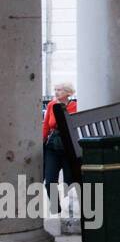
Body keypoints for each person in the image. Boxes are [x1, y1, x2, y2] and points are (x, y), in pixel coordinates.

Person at [41, 82, 77, 213]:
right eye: (55, 90)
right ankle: (56, 209)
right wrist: (42, 142)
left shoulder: (75, 106)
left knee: (69, 180)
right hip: (53, 147)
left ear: (68, 92)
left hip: (68, 147)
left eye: (60, 90)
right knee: (50, 180)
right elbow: (46, 126)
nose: (56, 92)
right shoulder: (51, 105)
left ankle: (70, 208)